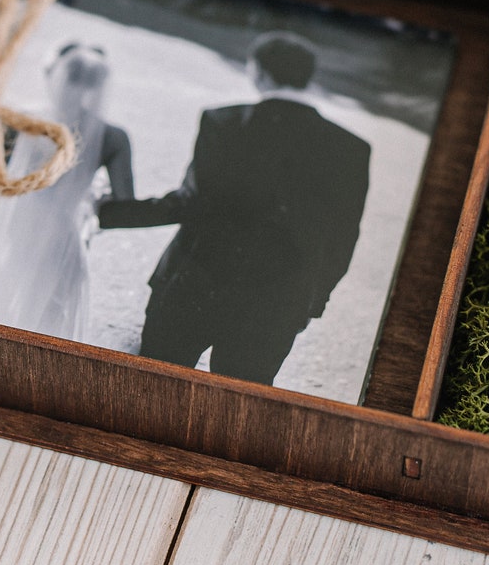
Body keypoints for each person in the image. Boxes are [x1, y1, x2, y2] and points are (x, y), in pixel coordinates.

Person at [98, 32, 369, 384]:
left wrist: (111, 212)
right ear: (307, 75)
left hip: (192, 285)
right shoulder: (349, 148)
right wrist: (310, 303)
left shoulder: (223, 122)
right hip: (275, 304)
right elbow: (343, 237)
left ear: (258, 71)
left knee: (154, 388)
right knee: (236, 411)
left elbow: (190, 202)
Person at [0, 42, 133, 341]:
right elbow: (125, 203)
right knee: (46, 320)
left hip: (12, 229)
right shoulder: (113, 138)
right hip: (60, 238)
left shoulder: (20, 120)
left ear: (54, 74)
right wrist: (92, 199)